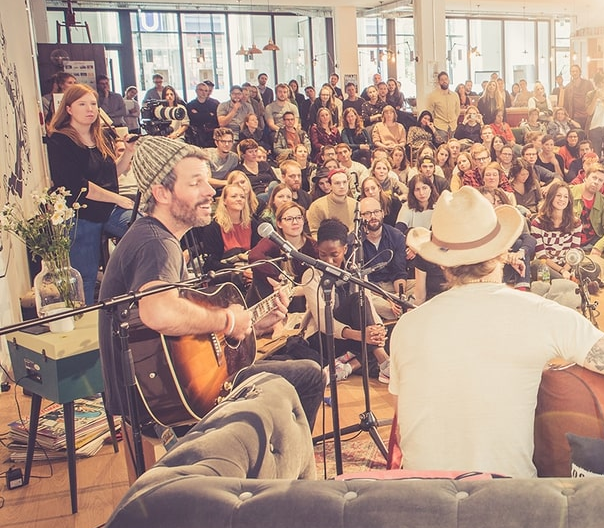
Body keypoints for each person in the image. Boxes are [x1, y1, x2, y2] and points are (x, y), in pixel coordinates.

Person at [391, 186, 604, 477]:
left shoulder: (406, 327)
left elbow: (403, 426)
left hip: (419, 502)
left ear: (441, 264)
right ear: (500, 253)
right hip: (507, 500)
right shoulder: (540, 314)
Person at [98, 136, 324, 472]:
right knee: (308, 377)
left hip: (165, 387)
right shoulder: (157, 243)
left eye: (207, 180)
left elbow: (176, 331)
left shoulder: (153, 236)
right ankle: (276, 480)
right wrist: (228, 321)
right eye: (196, 182)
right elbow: (158, 312)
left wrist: (252, 322)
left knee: (303, 372)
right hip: (163, 402)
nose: (209, 191)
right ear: (161, 193)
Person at [46, 84, 136, 303]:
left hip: (108, 209)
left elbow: (109, 174)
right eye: (82, 104)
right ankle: (86, 319)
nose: (90, 109)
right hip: (80, 214)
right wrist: (117, 198)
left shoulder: (100, 137)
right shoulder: (60, 141)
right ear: (68, 109)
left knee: (143, 228)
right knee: (84, 276)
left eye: (93, 104)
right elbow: (79, 186)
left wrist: (129, 153)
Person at [300, 219, 391, 382]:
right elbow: (322, 320)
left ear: (345, 249)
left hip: (354, 337)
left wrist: (378, 330)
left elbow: (369, 305)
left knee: (389, 332)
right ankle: (383, 361)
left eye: (334, 255)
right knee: (357, 299)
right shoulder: (311, 275)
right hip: (324, 338)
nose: (328, 261)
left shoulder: (357, 272)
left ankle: (349, 366)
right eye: (322, 255)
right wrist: (362, 335)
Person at [357, 196, 408, 321]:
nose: (373, 216)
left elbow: (399, 272)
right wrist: (388, 299)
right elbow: (362, 281)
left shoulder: (396, 236)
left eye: (376, 212)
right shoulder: (354, 241)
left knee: (420, 289)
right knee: (363, 299)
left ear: (382, 213)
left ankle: (401, 309)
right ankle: (404, 312)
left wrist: (399, 297)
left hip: (392, 285)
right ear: (360, 216)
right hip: (372, 290)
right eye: (367, 213)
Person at [571, 163, 604, 257]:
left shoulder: (603, 202)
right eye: (594, 177)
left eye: (600, 180)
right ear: (586, 177)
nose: (596, 182)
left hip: (594, 240)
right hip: (570, 240)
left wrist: (599, 247)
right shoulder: (569, 193)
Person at [561, 64, 595, 132]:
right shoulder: (568, 87)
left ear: (580, 72)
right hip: (575, 117)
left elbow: (593, 98)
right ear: (570, 73)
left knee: (588, 136)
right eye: (572, 71)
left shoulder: (588, 84)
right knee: (577, 135)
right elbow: (566, 104)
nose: (575, 73)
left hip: (588, 115)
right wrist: (567, 117)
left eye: (576, 71)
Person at [426, 71, 459, 137]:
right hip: (440, 126)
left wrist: (455, 120)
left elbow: (457, 110)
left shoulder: (455, 95)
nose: (444, 81)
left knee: (453, 146)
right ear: (439, 82)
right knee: (442, 146)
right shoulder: (433, 96)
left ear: (449, 80)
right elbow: (429, 112)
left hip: (453, 126)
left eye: (446, 79)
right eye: (442, 80)